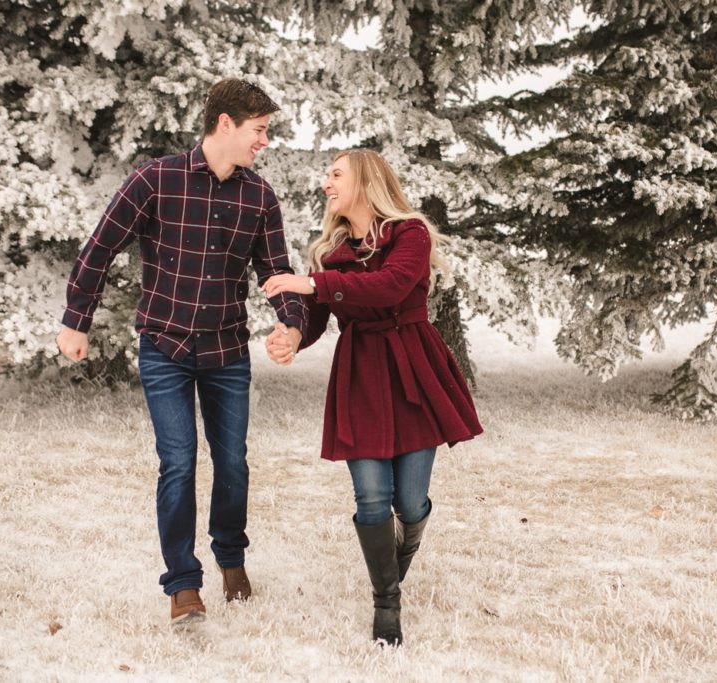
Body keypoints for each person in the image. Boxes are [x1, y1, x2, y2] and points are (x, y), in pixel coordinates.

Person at [56, 79, 307, 625]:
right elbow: (99, 248)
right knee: (177, 462)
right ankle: (183, 584)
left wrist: (292, 326)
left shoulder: (259, 196)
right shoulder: (157, 179)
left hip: (226, 351)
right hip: (164, 348)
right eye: (258, 130)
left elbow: (277, 273)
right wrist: (77, 321)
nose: (264, 141)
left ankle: (231, 558)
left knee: (233, 463)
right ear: (225, 124)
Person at [262, 148, 482, 646]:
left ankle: (410, 537)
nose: (326, 184)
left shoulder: (410, 234)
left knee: (408, 500)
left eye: (335, 174)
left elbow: (388, 287)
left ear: (365, 180)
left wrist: (310, 282)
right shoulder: (329, 250)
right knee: (371, 496)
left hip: (413, 367)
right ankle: (387, 603)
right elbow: (317, 316)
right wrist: (292, 338)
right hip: (360, 372)